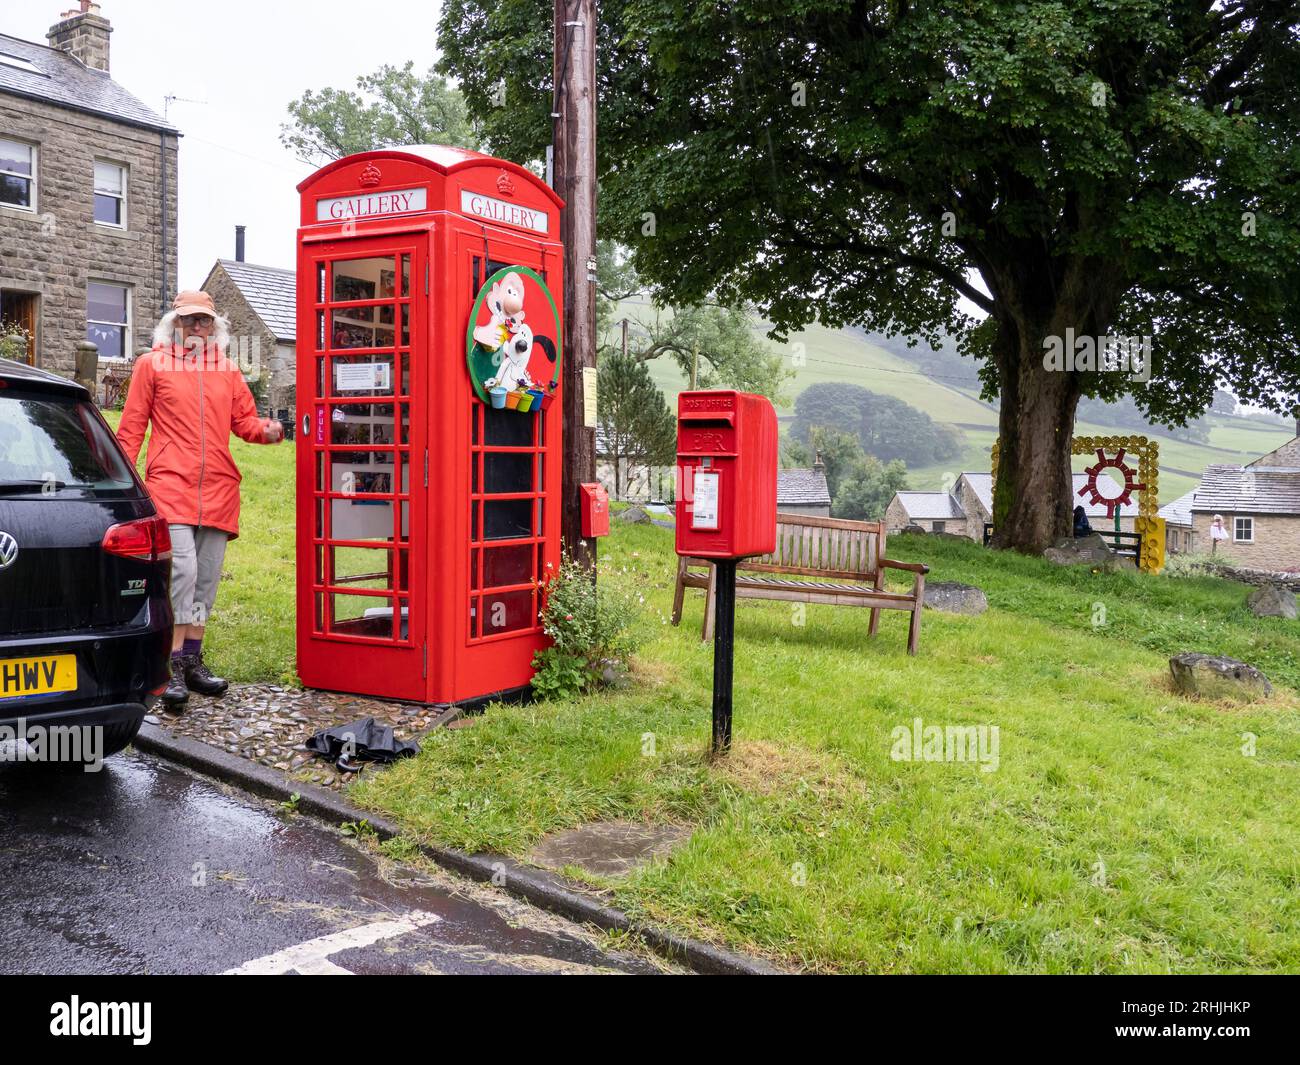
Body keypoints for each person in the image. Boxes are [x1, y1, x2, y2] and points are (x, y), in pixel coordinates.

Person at [117, 291, 284, 709]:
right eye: (189, 320)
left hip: (218, 489)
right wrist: (122, 482)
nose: (196, 327)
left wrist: (267, 430)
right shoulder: (151, 364)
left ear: (215, 327)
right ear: (174, 324)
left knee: (206, 582)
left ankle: (192, 661)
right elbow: (132, 427)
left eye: (204, 321)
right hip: (169, 484)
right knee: (184, 574)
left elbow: (243, 421)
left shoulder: (227, 369)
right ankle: (169, 664)